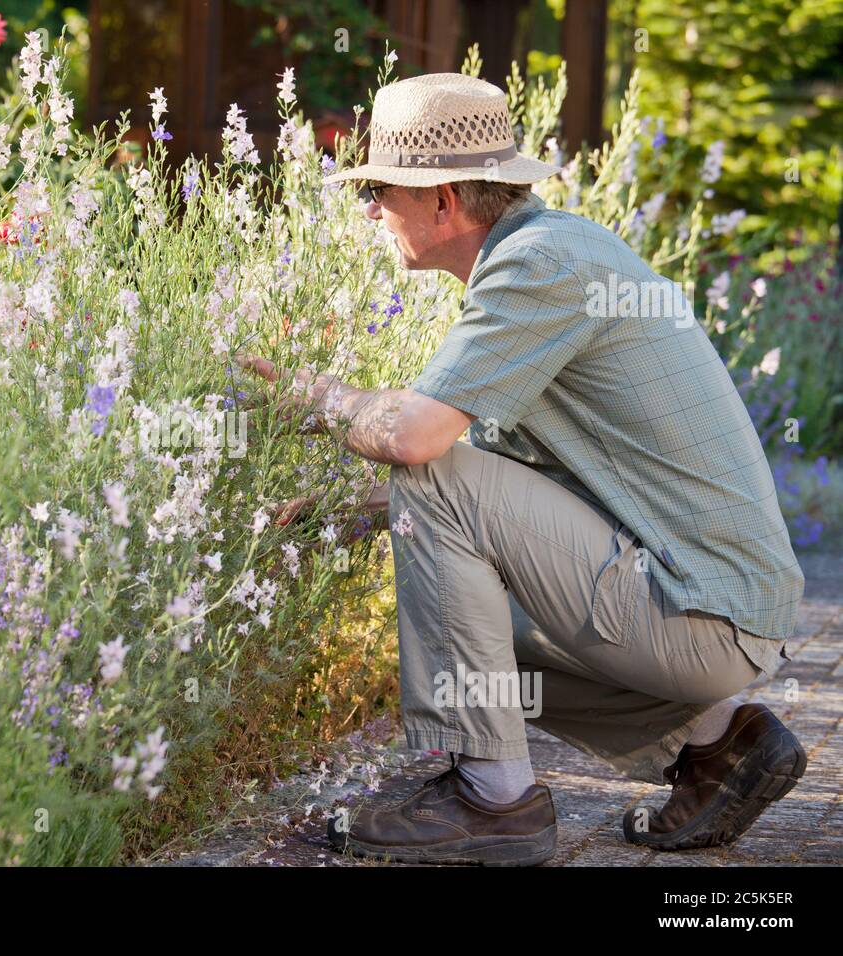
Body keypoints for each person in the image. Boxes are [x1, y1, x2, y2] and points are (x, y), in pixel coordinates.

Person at [236, 73, 807, 866]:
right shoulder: (552, 250)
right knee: (470, 624)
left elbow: (421, 447)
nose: (368, 209)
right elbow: (504, 489)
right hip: (715, 609)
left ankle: (494, 802)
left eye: (379, 189)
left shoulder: (536, 266)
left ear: (442, 200)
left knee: (435, 496)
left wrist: (314, 396)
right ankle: (719, 749)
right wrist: (351, 508)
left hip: (707, 621)